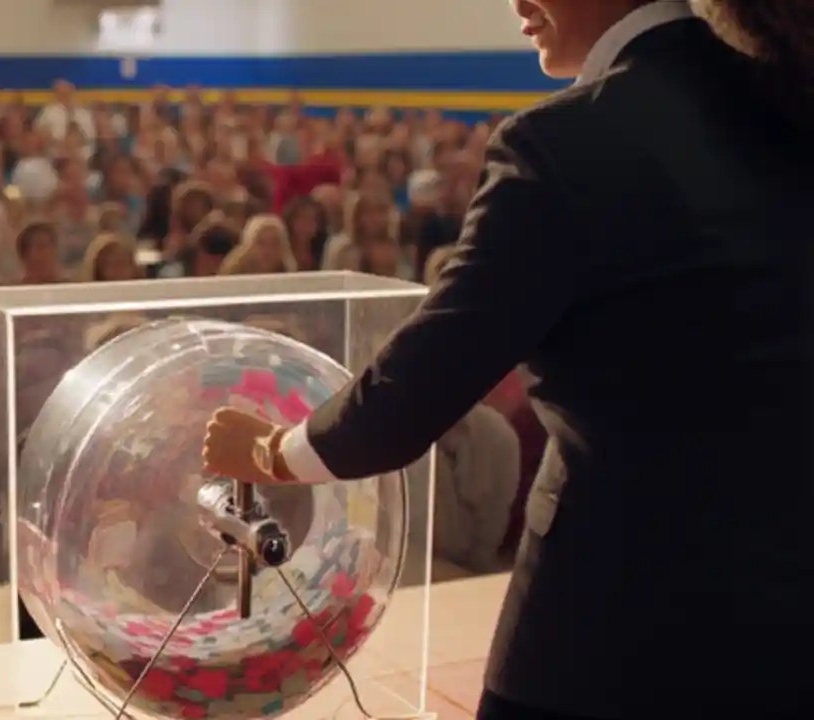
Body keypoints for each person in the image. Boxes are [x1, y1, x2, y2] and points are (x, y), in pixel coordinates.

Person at [202, 2, 814, 718]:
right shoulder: (787, 100)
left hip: (613, 627)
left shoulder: (565, 141)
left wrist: (276, 451)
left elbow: (422, 382)